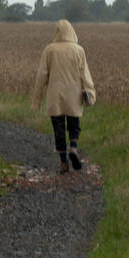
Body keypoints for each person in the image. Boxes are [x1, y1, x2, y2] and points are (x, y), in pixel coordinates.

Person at [31, 18, 96, 174]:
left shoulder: (49, 50)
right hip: (74, 94)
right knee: (74, 123)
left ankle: (63, 163)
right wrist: (90, 93)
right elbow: (85, 74)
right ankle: (73, 147)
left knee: (58, 128)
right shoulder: (79, 50)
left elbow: (41, 76)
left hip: (55, 95)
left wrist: (36, 100)